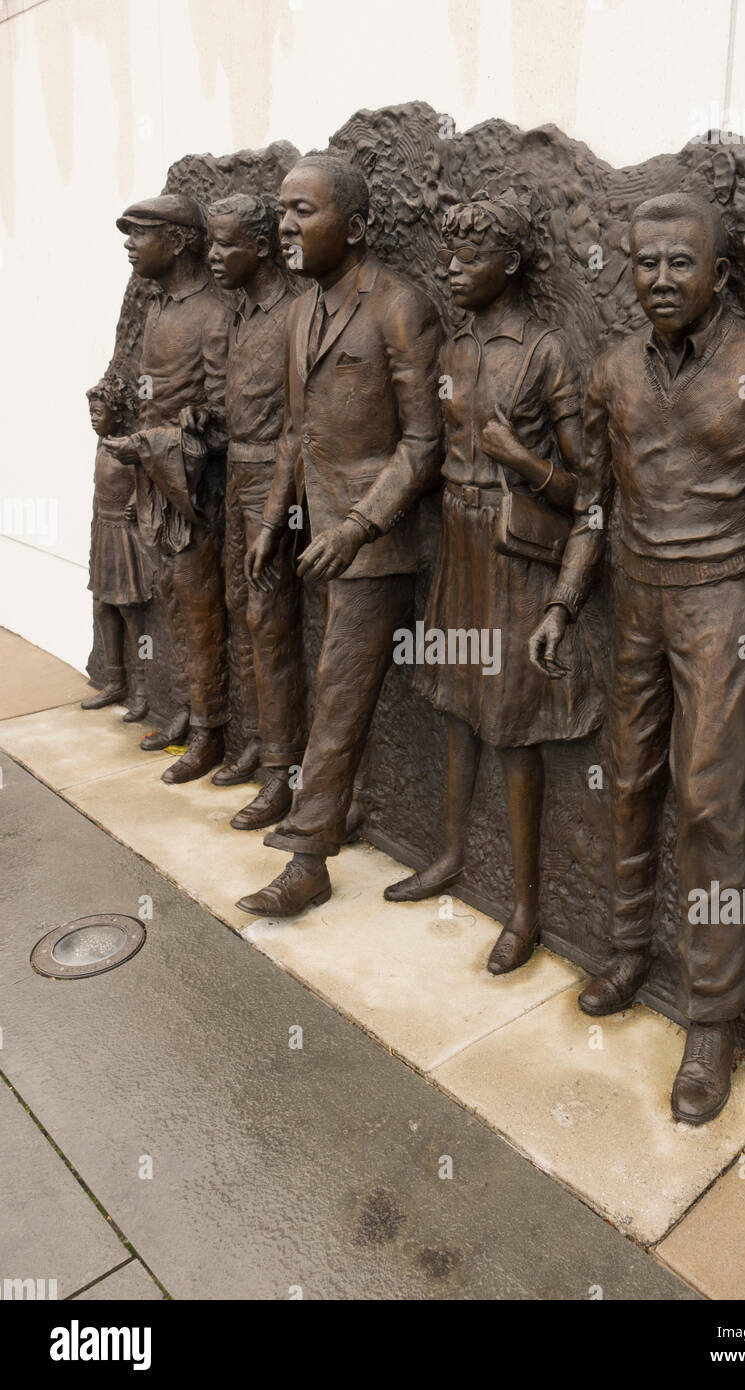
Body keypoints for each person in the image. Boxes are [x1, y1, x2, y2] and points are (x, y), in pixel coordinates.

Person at [530, 192, 745, 1123]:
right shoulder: (612, 371)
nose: (661, 279)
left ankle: (711, 1019)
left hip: (720, 606)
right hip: (633, 597)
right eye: (646, 263)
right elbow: (594, 502)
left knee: (708, 802)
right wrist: (561, 599)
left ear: (716, 271)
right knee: (628, 779)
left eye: (680, 263)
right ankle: (629, 949)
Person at [384, 192, 601, 975]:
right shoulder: (453, 349)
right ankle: (446, 856)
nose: (450, 270)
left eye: (467, 258)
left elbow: (589, 491)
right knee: (454, 707)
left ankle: (524, 909)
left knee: (510, 728)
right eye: (445, 257)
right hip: (460, 548)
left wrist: (522, 462)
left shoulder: (544, 352)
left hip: (515, 556)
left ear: (508, 264)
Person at [235, 155, 443, 916]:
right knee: (329, 683)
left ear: (353, 227)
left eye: (302, 211)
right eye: (280, 210)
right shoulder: (299, 313)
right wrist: (272, 524)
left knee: (339, 698)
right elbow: (295, 433)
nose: (284, 226)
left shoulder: (399, 307)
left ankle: (309, 857)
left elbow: (423, 443)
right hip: (313, 530)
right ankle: (336, 808)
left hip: (374, 541)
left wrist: (357, 528)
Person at [106, 194, 230, 783]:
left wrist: (156, 444)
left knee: (201, 608)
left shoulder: (213, 312)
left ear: (179, 241)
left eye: (141, 232)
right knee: (175, 606)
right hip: (155, 481)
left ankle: (210, 729)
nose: (130, 243)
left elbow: (223, 416)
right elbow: (153, 393)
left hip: (194, 491)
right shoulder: (157, 308)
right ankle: (184, 707)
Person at [206, 194, 304, 828]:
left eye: (225, 245)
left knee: (271, 624)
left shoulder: (295, 315)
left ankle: (282, 773)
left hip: (275, 483)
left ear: (262, 248)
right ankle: (251, 740)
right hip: (235, 472)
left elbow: (298, 426)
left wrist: (273, 515)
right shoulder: (239, 313)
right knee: (241, 612)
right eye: (209, 243)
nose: (212, 256)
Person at [81, 374, 151, 721]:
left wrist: (138, 499)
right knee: (102, 606)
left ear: (117, 414)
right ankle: (114, 680)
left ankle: (140, 688)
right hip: (103, 532)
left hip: (125, 535)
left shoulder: (129, 447)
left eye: (99, 412)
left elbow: (151, 476)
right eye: (91, 412)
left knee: (129, 610)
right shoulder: (101, 444)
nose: (93, 417)